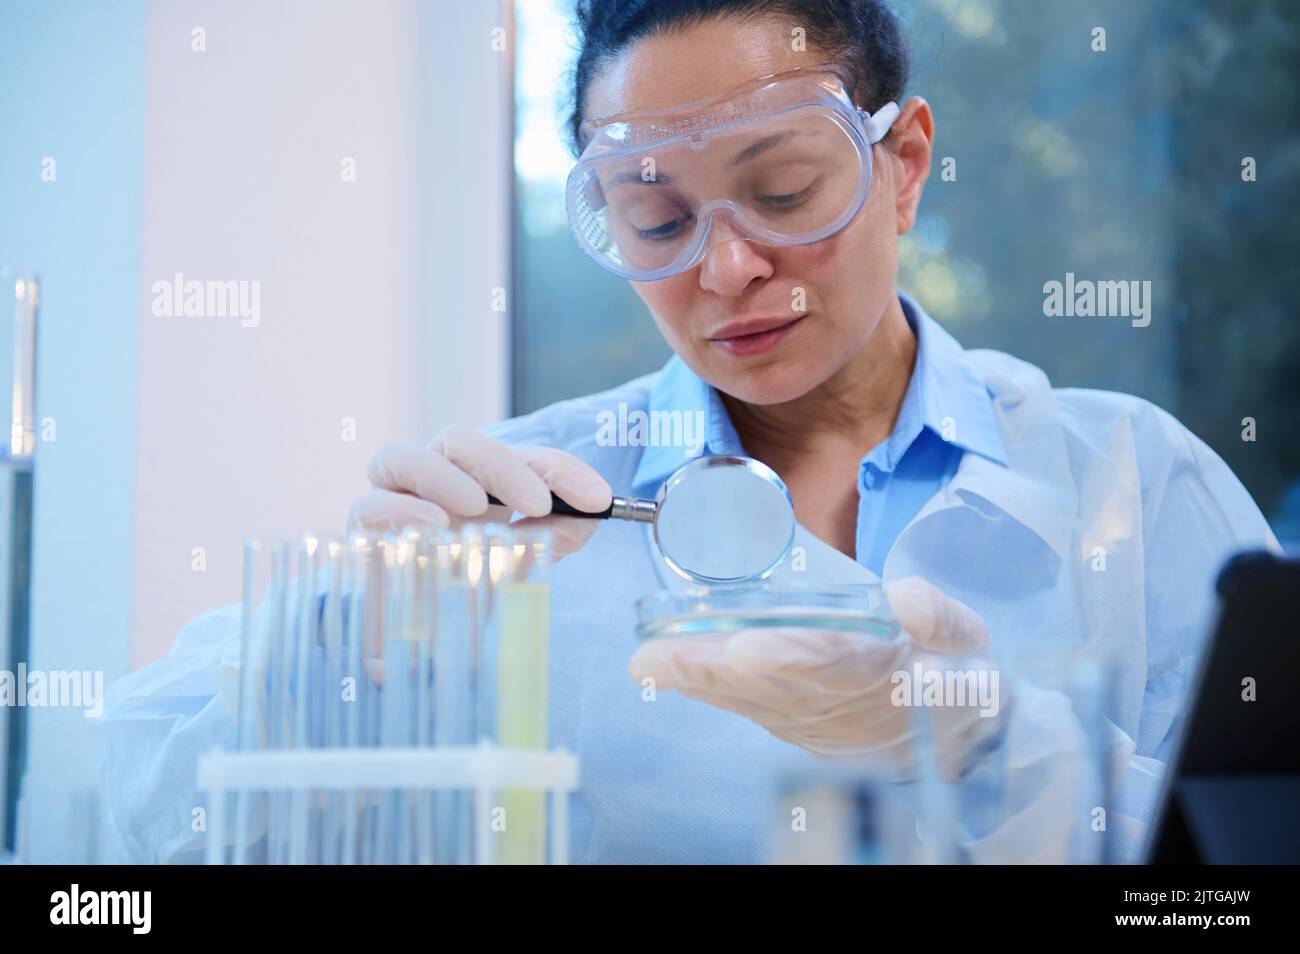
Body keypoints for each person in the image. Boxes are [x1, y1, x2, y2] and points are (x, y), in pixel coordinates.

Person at [98, 0, 1277, 864]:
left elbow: (1245, 861)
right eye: (655, 216)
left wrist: (973, 735)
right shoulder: (509, 507)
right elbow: (118, 830)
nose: (726, 267)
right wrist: (337, 648)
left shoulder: (1132, 478)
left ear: (903, 165)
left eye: (783, 192)